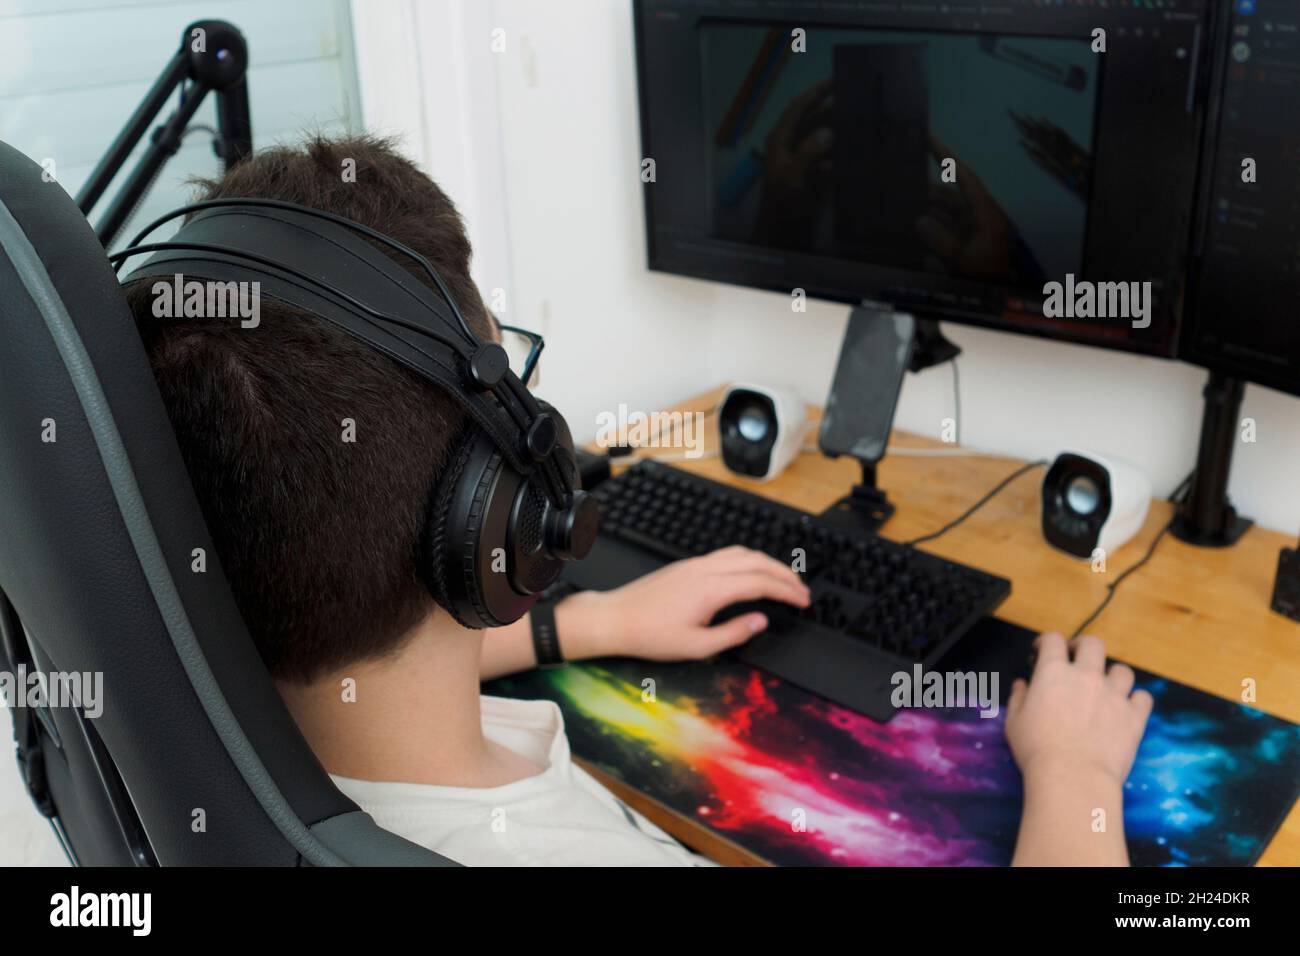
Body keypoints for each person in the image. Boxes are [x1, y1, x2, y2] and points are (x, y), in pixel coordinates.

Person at [126, 134, 1150, 866]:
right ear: (501, 519)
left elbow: (356, 645)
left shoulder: (181, 714)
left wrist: (599, 618)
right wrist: (1074, 774)